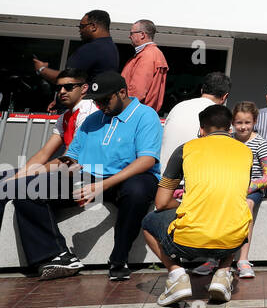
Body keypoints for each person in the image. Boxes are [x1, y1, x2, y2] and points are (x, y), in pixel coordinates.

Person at [15, 72, 162, 281]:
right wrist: (25, 175)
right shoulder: (93, 119)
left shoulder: (145, 115)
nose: (101, 105)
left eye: (105, 99)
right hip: (90, 176)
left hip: (130, 177)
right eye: (97, 101)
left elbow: (147, 160)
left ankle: (119, 258)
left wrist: (102, 186)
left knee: (137, 190)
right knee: (26, 189)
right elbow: (70, 158)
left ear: (122, 92)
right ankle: (57, 255)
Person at [144, 104, 252, 307]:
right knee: (233, 213)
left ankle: (176, 275)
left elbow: (161, 202)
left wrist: (184, 205)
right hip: (233, 239)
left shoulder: (186, 149)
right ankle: (223, 272)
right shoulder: (246, 152)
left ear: (201, 129)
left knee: (149, 221)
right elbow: (234, 195)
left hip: (188, 240)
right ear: (230, 128)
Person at [0, 69, 95, 229]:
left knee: (7, 187)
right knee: (3, 177)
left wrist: (22, 176)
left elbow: (69, 159)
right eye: (59, 88)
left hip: (86, 177)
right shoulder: (65, 115)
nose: (62, 92)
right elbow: (44, 153)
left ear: (84, 88)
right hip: (68, 173)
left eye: (68, 87)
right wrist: (19, 174)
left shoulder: (89, 112)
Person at [229, 101, 267, 278]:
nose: (243, 127)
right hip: (230, 186)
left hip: (252, 189)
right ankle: (215, 257)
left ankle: (243, 259)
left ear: (254, 121)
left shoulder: (260, 143)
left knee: (246, 207)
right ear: (233, 123)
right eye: (239, 122)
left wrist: (247, 188)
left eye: (247, 122)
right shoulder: (228, 141)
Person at [159, 72, 231, 170]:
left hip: (163, 176)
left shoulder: (179, 107)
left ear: (202, 90)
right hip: (191, 181)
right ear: (225, 97)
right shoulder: (220, 115)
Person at [33, 10, 118, 86]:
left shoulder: (91, 49)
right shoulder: (112, 48)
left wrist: (42, 69)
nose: (80, 30)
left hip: (84, 102)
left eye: (82, 26)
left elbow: (67, 79)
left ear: (93, 27)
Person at [122, 19, 168, 113]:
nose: (129, 36)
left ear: (142, 34)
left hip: (134, 113)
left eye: (132, 33)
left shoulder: (147, 55)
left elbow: (137, 91)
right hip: (141, 112)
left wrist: (123, 110)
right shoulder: (151, 53)